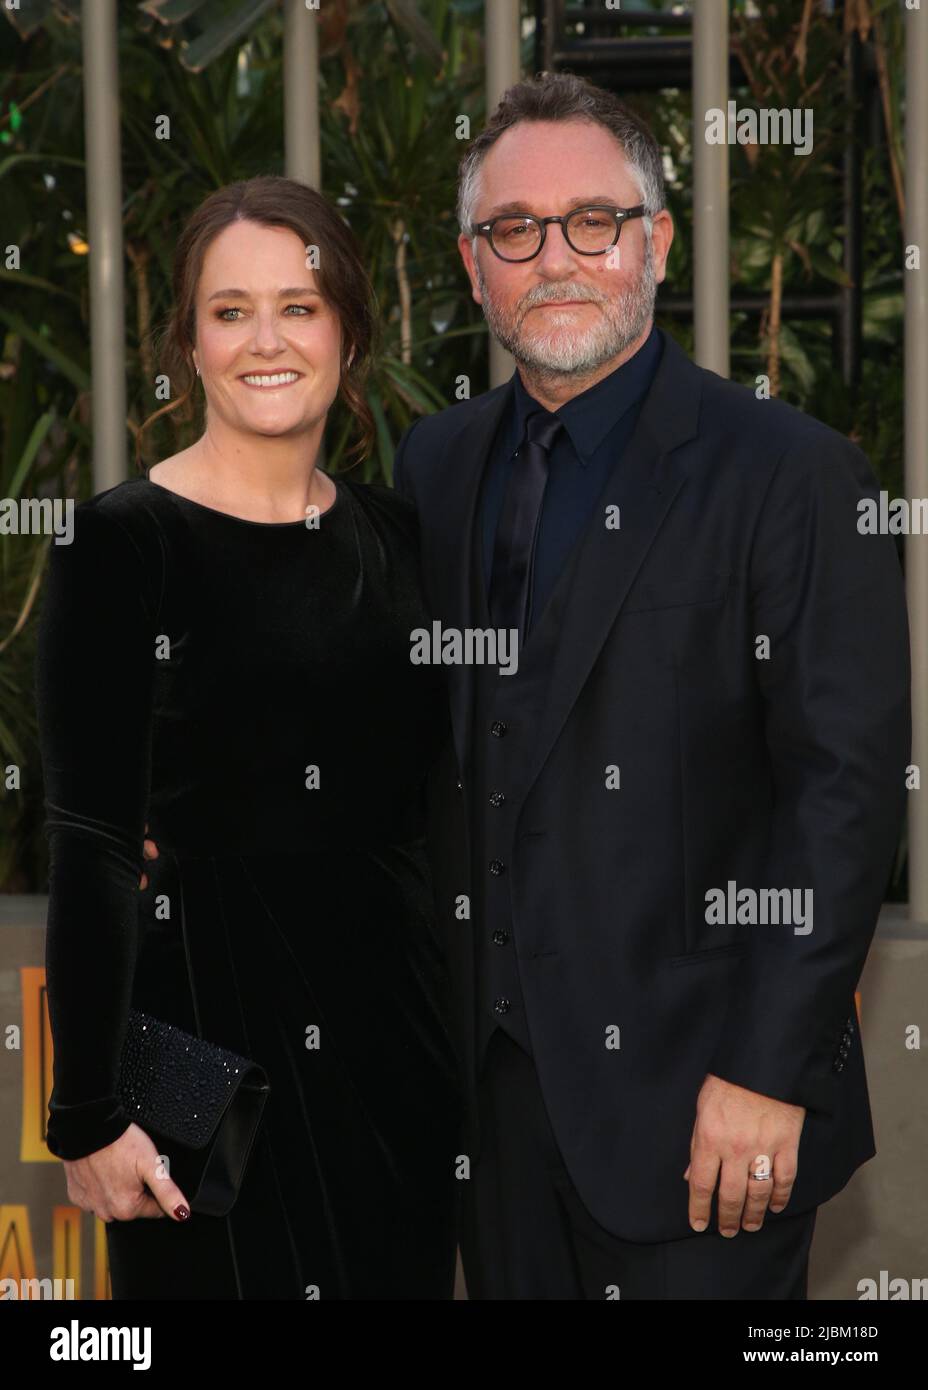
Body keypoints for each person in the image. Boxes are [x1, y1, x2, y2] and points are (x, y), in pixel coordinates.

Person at [391, 73, 911, 1300]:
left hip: (703, 1111)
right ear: (474, 266)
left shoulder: (792, 473)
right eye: (515, 230)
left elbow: (840, 796)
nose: (555, 258)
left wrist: (768, 1071)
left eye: (593, 221)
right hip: (490, 1106)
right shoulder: (437, 462)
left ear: (656, 241)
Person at [35, 174, 461, 1300]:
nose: (265, 340)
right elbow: (88, 843)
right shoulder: (123, 546)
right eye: (230, 311)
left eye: (299, 305)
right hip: (206, 1079)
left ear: (349, 330)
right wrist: (84, 1113)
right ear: (189, 339)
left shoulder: (399, 538)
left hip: (396, 1069)